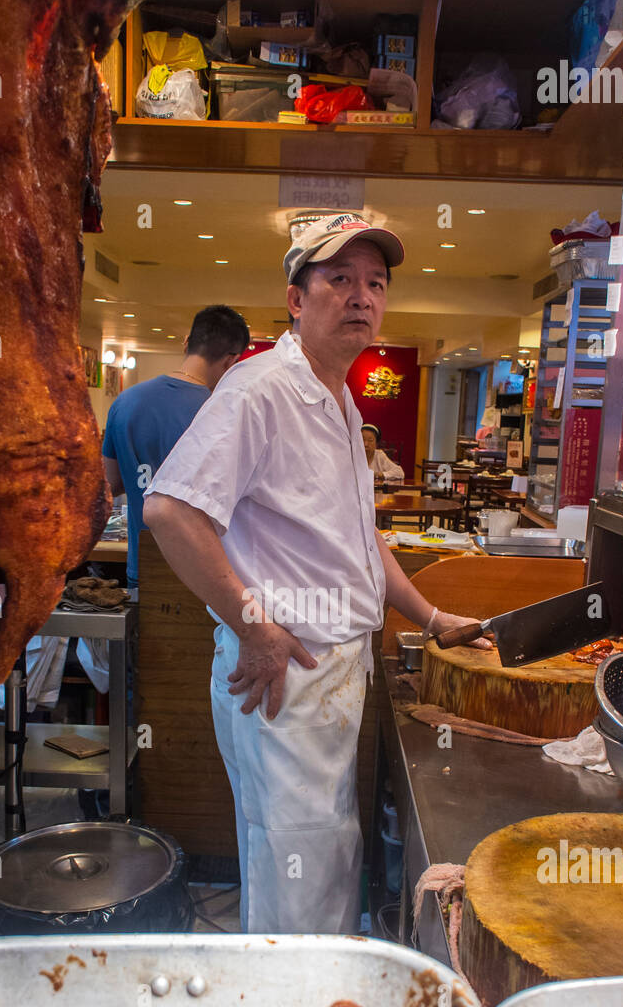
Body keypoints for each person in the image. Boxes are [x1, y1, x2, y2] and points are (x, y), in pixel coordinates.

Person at [143, 212, 489, 934]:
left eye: (375, 283)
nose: (361, 296)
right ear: (297, 300)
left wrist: (430, 619)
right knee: (299, 875)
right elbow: (171, 512)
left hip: (332, 671)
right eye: (339, 280)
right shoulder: (261, 387)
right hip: (287, 670)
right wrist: (253, 624)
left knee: (318, 860)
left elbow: (357, 542)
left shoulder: (338, 398)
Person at [101, 305, 250, 590]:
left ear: (186, 343)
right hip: (206, 571)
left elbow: (111, 483)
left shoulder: (125, 402)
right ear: (232, 362)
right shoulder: (220, 411)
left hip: (143, 565)